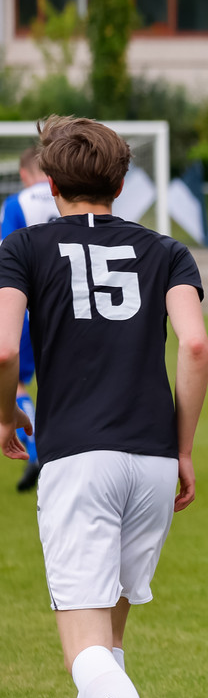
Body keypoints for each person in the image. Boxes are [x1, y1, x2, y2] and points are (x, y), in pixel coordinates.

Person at [0, 116, 208, 698]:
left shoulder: (25, 244)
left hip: (77, 455)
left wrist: (8, 415)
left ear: (48, 184)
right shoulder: (164, 250)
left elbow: (2, 346)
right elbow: (193, 342)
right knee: (109, 641)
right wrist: (183, 447)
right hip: (150, 456)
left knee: (82, 644)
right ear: (124, 184)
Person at [2, 145, 60, 490]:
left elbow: (6, 251)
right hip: (69, 306)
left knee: (18, 383)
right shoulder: (65, 198)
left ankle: (36, 450)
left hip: (24, 308)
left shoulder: (17, 203)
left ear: (24, 174)